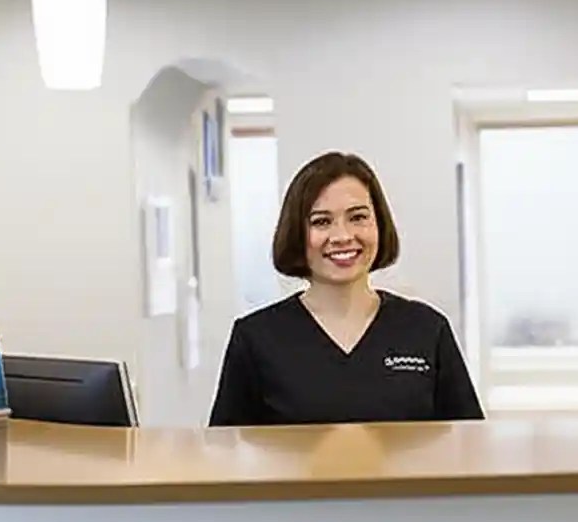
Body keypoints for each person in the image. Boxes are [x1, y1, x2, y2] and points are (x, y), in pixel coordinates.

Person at [208, 151, 485, 426]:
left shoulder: (427, 330)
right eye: (321, 221)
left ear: (379, 225)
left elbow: (469, 447)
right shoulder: (256, 339)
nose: (342, 236)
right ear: (296, 233)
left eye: (358, 217)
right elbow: (225, 458)